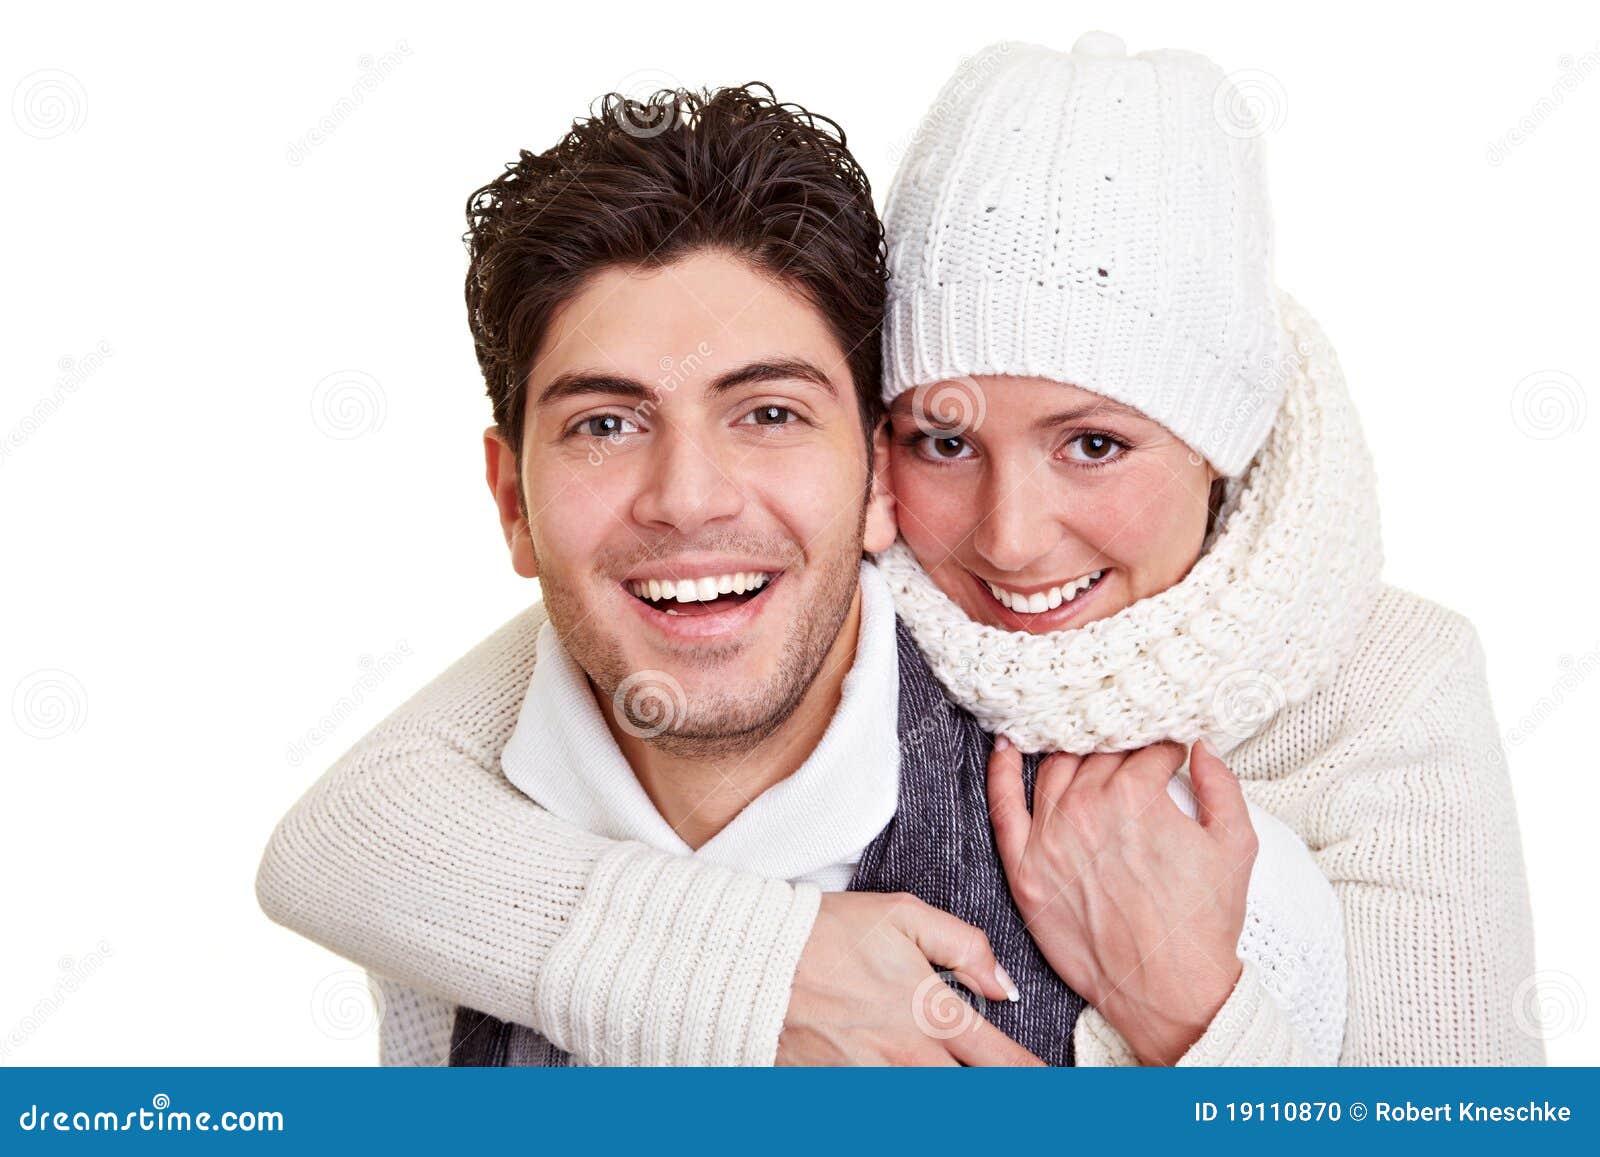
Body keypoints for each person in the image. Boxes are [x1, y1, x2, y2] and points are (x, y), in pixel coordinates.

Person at [259, 44, 1445, 1067]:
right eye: (604, 424)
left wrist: (1202, 1027)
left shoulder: (1194, 881)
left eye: (767, 411)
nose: (684, 499)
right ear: (512, 502)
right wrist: (747, 971)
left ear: (865, 474)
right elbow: (338, 836)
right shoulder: (449, 891)